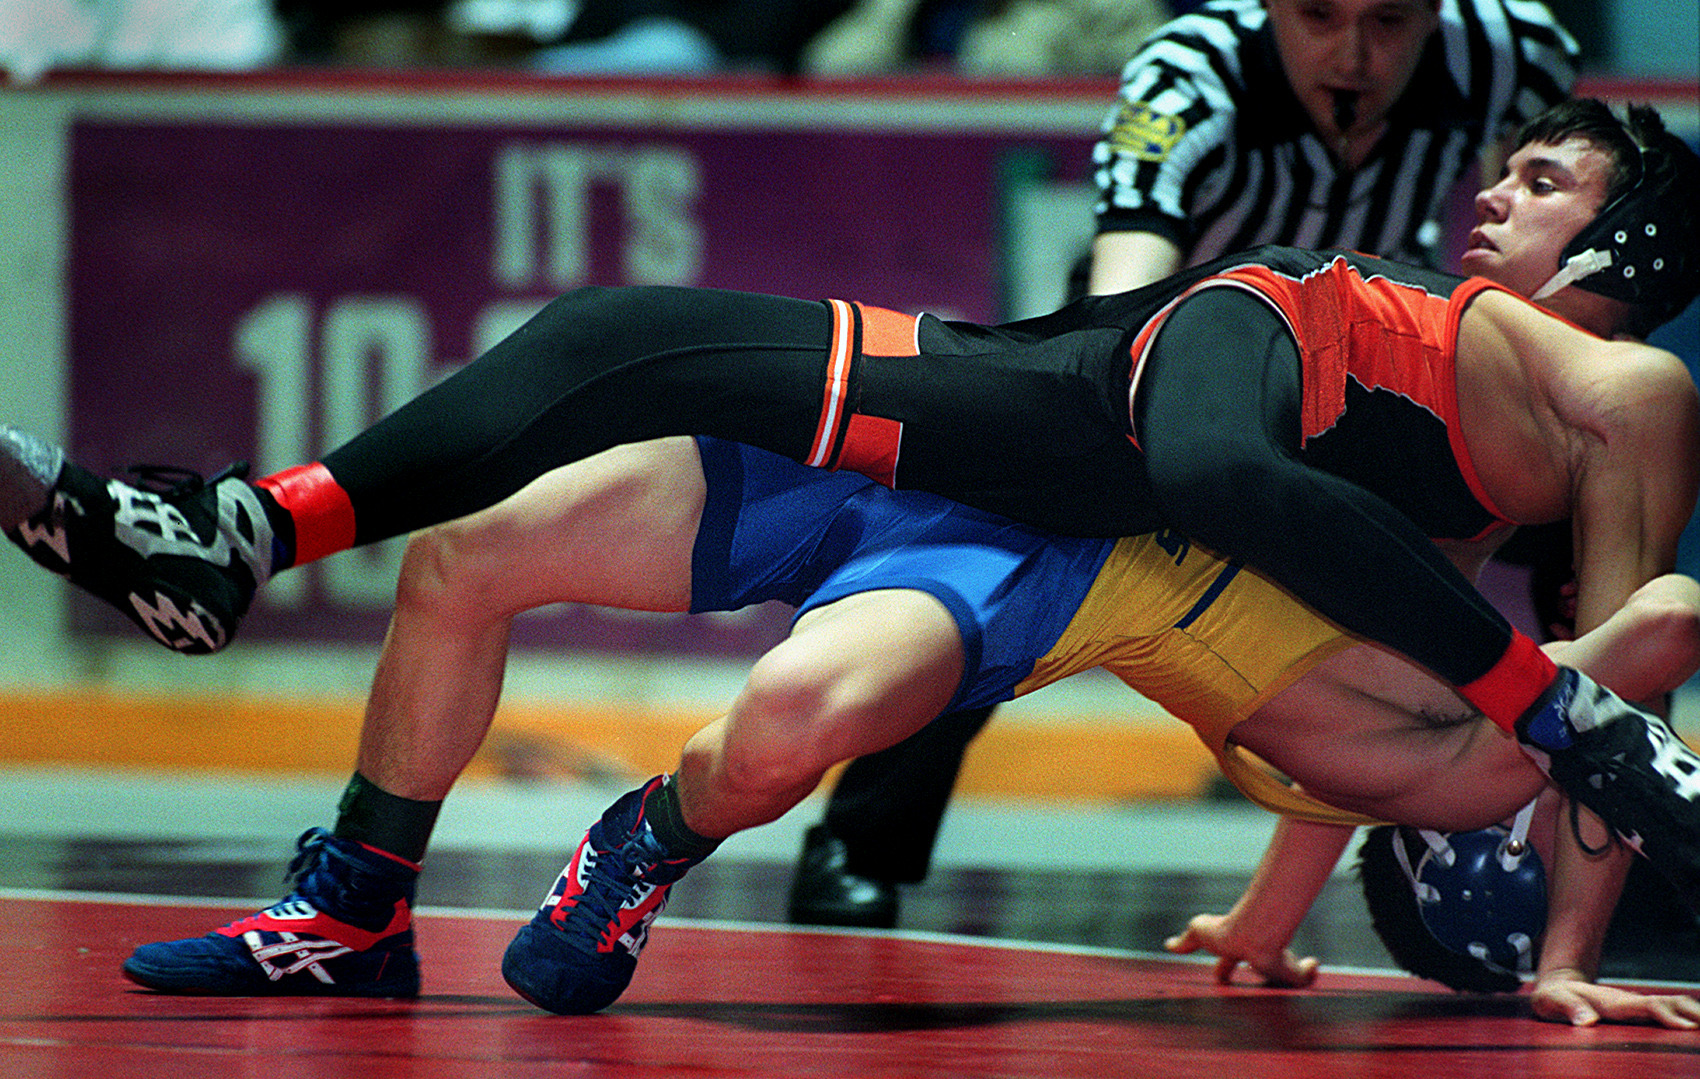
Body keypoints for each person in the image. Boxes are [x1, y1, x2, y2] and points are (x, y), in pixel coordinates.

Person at [2, 104, 1698, 901]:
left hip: (1141, 419)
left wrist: (1559, 891)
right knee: (616, 344)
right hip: (1207, 348)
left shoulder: (1623, 392)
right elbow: (1582, 664)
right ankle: (241, 531)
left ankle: (240, 535)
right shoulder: (1480, 356)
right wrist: (1557, 728)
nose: (1492, 197)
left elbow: (1630, 633)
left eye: (1545, 182)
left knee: (622, 341)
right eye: (1506, 168)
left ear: (1627, 249)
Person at [100, 434, 1700, 1027]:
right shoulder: (1479, 717)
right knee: (462, 555)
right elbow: (1653, 640)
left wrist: (1565, 944)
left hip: (1032, 565)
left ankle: (647, 835)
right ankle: (353, 907)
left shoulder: (1430, 760)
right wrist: (1560, 915)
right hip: (949, 424)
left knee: (787, 720)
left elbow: (1652, 638)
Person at [798, 0, 1583, 922]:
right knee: (1006, 560)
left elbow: (1538, 230)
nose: (1354, 54)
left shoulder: (1511, 51)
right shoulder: (1188, 73)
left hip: (1371, 375)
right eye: (1319, 15)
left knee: (1584, 494)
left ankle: (1605, 819)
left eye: (1389, 23)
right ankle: (859, 839)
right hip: (1159, 358)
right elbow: (1120, 293)